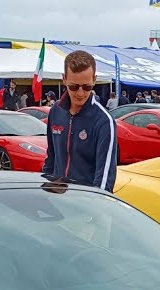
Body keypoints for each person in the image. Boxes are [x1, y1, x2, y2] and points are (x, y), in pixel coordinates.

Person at [41, 50, 117, 191]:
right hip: (57, 201)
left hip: (85, 205)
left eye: (87, 87)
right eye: (74, 87)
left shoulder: (104, 121)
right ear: (64, 79)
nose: (80, 93)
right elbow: (51, 159)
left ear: (94, 80)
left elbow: (104, 180)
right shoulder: (56, 112)